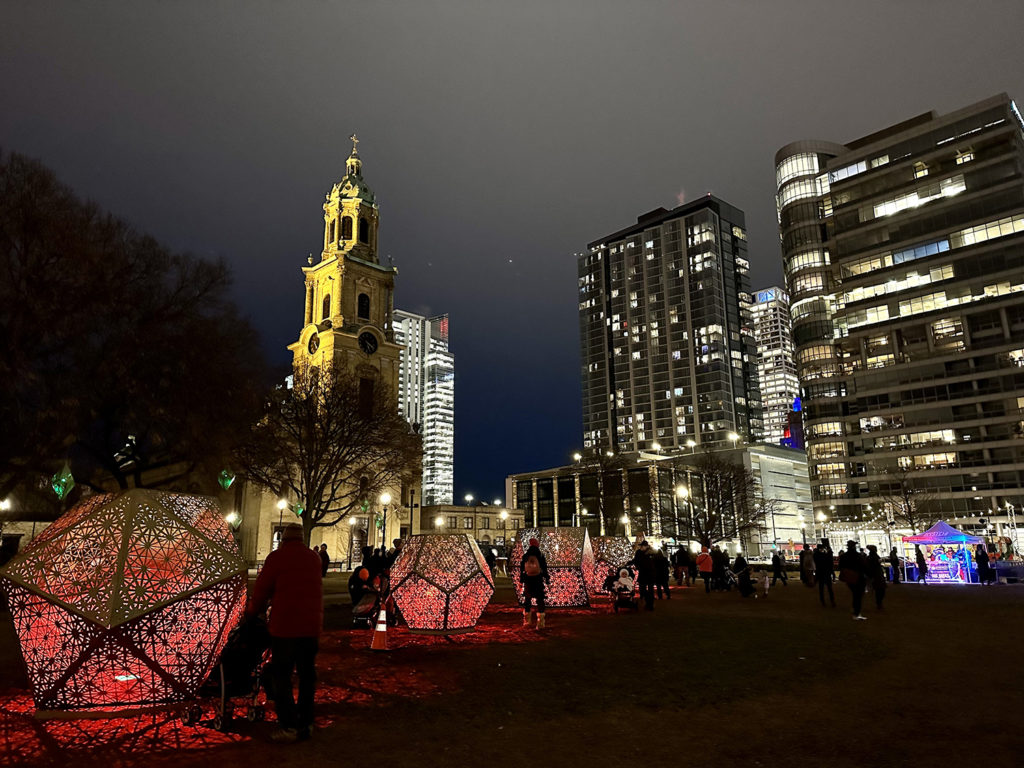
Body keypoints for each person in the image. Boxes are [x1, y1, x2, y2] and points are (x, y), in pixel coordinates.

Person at [247, 523, 323, 743]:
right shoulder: (314, 558)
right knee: (307, 676)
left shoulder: (277, 558)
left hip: (285, 627)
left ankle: (289, 725)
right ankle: (306, 723)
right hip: (310, 628)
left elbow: (262, 590)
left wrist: (251, 612)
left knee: (281, 676)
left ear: (283, 539)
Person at [519, 537, 550, 629]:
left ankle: (527, 620)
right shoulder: (540, 555)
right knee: (540, 600)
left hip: (528, 580)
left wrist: (521, 581)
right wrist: (547, 579)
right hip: (538, 579)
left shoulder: (526, 556)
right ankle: (540, 622)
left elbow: (522, 569)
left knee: (527, 600)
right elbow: (544, 568)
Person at [838, 540, 868, 620]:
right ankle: (856, 612)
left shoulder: (844, 556)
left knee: (855, 593)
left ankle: (855, 609)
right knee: (858, 594)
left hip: (849, 577)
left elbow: (840, 566)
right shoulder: (858, 556)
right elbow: (864, 566)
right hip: (858, 576)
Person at [629, 541, 657, 610]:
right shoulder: (639, 552)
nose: (641, 547)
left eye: (643, 546)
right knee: (642, 589)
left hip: (650, 573)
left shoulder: (651, 553)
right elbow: (635, 560)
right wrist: (630, 563)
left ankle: (650, 605)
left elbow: (654, 563)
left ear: (646, 546)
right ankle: (648, 602)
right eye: (641, 546)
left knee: (650, 590)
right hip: (643, 573)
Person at [813, 542, 836, 607]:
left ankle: (823, 601)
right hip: (826, 573)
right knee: (829, 588)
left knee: (821, 588)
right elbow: (830, 561)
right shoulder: (825, 555)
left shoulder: (816, 555)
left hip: (820, 573)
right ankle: (832, 601)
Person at [866, 544, 886, 610]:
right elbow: (873, 565)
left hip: (876, 575)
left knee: (879, 590)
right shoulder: (872, 557)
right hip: (876, 575)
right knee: (880, 590)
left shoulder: (872, 556)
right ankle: (879, 603)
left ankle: (879, 603)